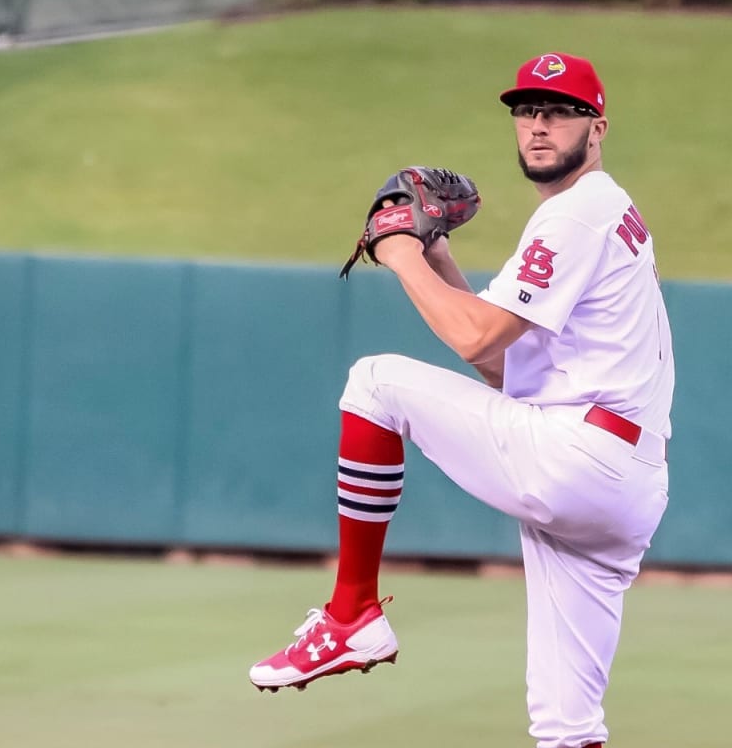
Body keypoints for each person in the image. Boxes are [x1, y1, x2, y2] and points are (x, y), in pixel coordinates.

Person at [249, 52, 674, 748]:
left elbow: (475, 335)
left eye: (559, 111)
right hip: (619, 479)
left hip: (580, 455)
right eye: (526, 110)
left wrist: (398, 253)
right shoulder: (602, 213)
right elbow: (501, 364)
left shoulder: (576, 215)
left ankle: (352, 612)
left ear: (596, 128)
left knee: (374, 383)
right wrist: (436, 253)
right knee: (567, 728)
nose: (538, 125)